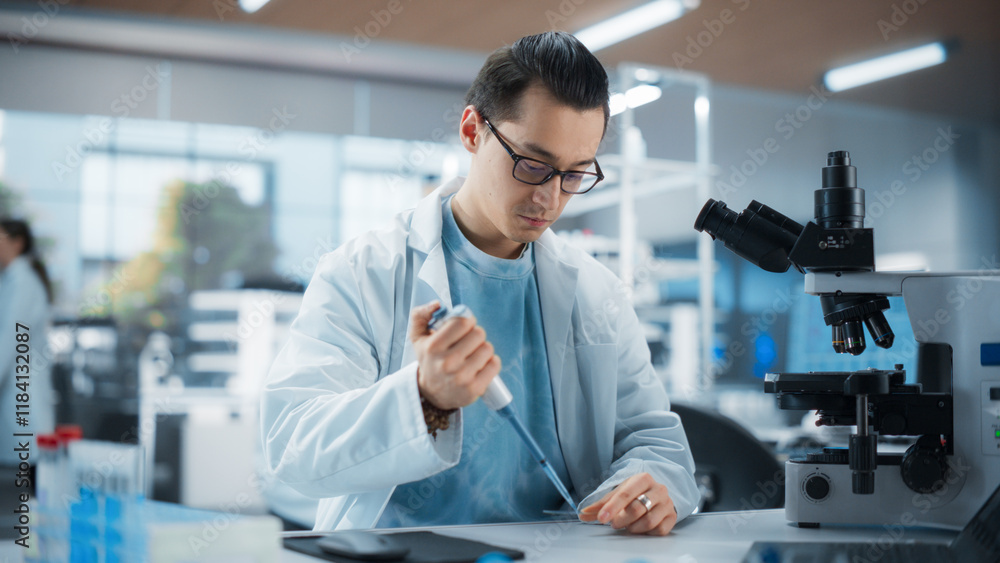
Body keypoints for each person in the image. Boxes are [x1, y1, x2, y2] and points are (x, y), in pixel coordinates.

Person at [262, 31, 699, 536]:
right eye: (533, 165)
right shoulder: (364, 271)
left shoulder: (597, 292)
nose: (550, 198)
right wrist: (425, 398)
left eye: (575, 174)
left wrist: (649, 485)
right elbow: (292, 443)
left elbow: (652, 440)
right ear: (473, 131)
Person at [0, 219, 55, 466]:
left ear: (17, 243)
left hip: (24, 390)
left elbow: (10, 338)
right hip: (13, 390)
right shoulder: (9, 281)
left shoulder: (23, 283)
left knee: (27, 479)